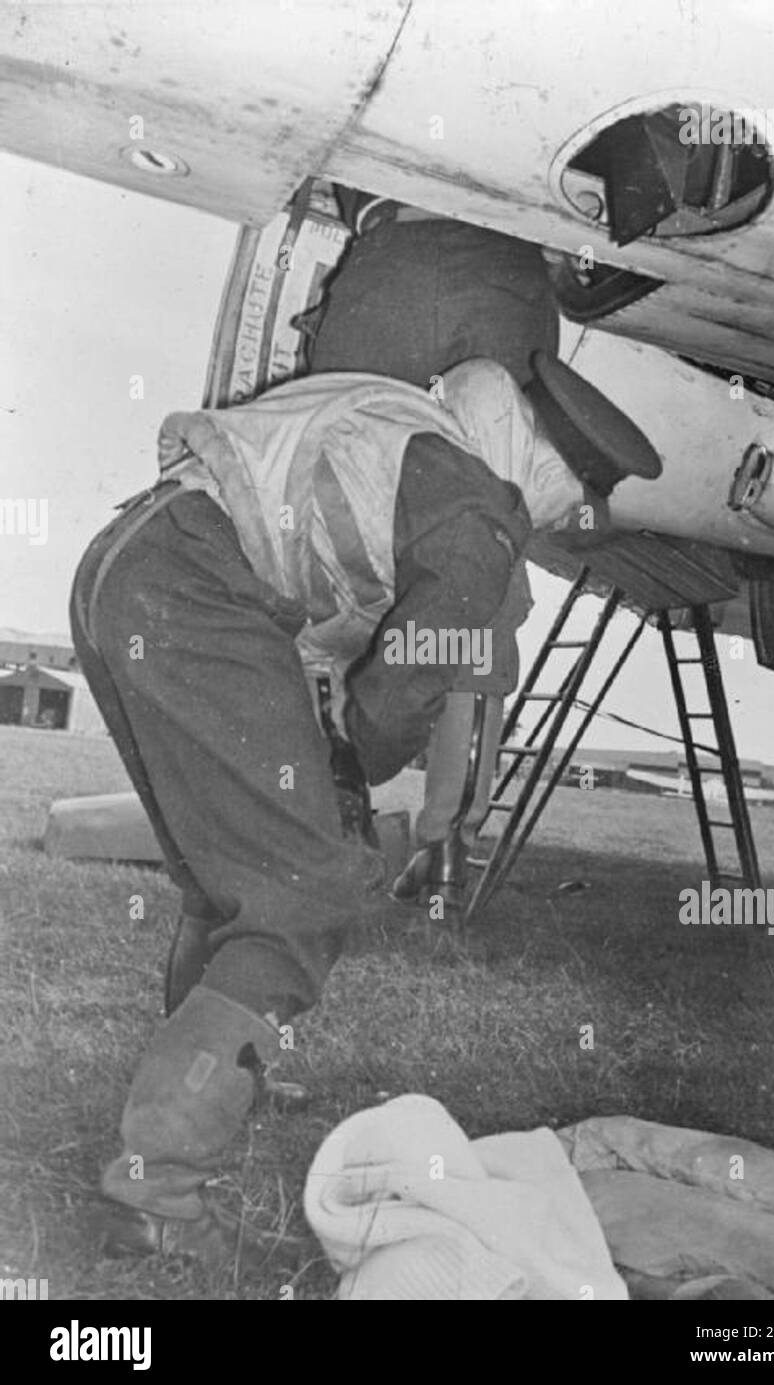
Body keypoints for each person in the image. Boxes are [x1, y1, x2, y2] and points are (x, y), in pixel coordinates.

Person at [70, 350, 658, 1260]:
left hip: (126, 567)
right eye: (564, 505)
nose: (547, 525)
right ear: (547, 467)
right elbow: (404, 681)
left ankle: (217, 1080)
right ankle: (159, 1197)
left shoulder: (407, 419)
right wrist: (351, 769)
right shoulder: (476, 509)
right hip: (192, 589)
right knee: (305, 894)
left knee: (227, 882)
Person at [306, 185, 562, 908]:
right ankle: (447, 841)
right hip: (508, 274)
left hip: (392, 263)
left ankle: (325, 811)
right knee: (484, 559)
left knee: (339, 518)